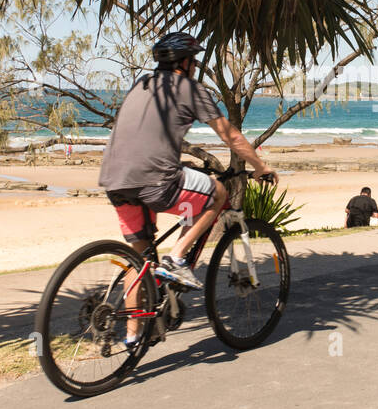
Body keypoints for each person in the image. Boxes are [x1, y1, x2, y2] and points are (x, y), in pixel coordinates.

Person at [98, 32, 276, 306]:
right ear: (183, 63)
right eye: (193, 61)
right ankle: (176, 257)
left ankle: (133, 339)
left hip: (114, 180)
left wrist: (180, 164)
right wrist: (260, 166)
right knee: (216, 192)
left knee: (140, 262)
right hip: (155, 181)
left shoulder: (142, 84)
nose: (195, 67)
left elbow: (146, 134)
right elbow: (231, 136)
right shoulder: (190, 88)